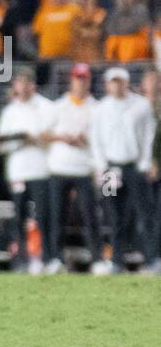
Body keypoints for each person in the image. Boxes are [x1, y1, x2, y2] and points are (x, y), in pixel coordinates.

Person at [90, 67, 158, 273]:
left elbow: (149, 135)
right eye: (113, 81)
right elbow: (96, 139)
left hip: (134, 168)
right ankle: (116, 260)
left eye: (120, 81)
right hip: (111, 169)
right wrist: (100, 166)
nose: (117, 85)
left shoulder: (141, 105)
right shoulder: (100, 109)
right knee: (113, 215)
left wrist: (145, 162)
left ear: (127, 82)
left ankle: (151, 260)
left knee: (144, 213)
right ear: (107, 84)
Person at [45, 63, 108, 274]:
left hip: (85, 169)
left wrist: (85, 139)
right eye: (77, 78)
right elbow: (43, 134)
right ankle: (55, 259)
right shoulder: (59, 105)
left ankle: (98, 258)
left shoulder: (97, 107)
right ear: (72, 80)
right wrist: (62, 137)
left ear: (88, 81)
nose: (80, 82)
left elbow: (104, 138)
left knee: (91, 216)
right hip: (59, 168)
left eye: (84, 79)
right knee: (57, 217)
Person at [0, 70, 54, 273]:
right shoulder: (10, 112)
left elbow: (51, 137)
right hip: (18, 170)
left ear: (33, 85)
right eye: (20, 82)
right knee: (18, 216)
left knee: (42, 215)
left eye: (27, 82)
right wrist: (9, 143)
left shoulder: (46, 107)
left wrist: (34, 139)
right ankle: (21, 258)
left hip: (40, 169)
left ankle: (45, 257)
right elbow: (1, 142)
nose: (23, 87)